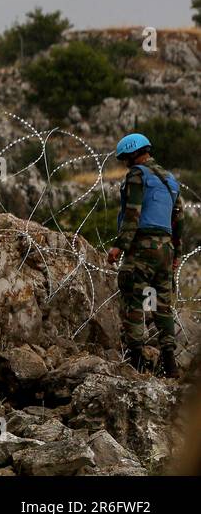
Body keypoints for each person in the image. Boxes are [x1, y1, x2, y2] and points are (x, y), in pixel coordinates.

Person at [109, 132, 182, 377]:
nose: (125, 164)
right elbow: (177, 221)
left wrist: (120, 245)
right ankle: (170, 364)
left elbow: (133, 213)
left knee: (133, 298)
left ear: (131, 155)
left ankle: (137, 360)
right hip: (166, 249)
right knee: (163, 306)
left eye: (125, 159)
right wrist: (176, 255)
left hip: (142, 247)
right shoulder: (171, 181)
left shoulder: (137, 175)